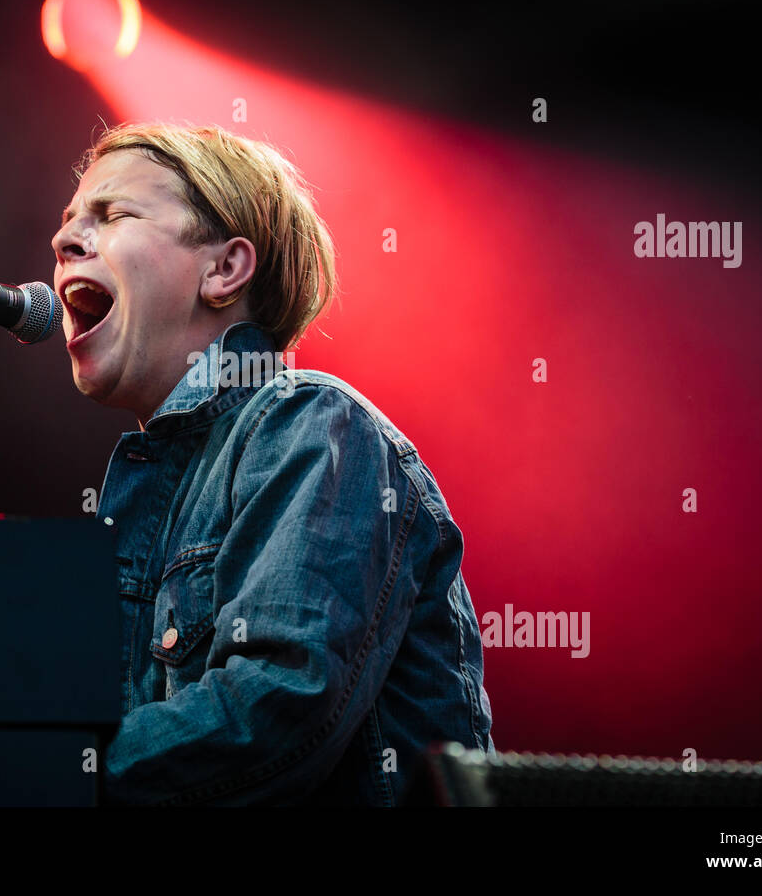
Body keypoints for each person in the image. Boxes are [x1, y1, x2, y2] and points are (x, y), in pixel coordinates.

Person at [50, 122, 493, 804]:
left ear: (225, 269)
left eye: (112, 214)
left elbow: (279, 704)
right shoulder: (160, 489)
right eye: (70, 220)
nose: (65, 240)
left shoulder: (311, 422)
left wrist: (41, 775)